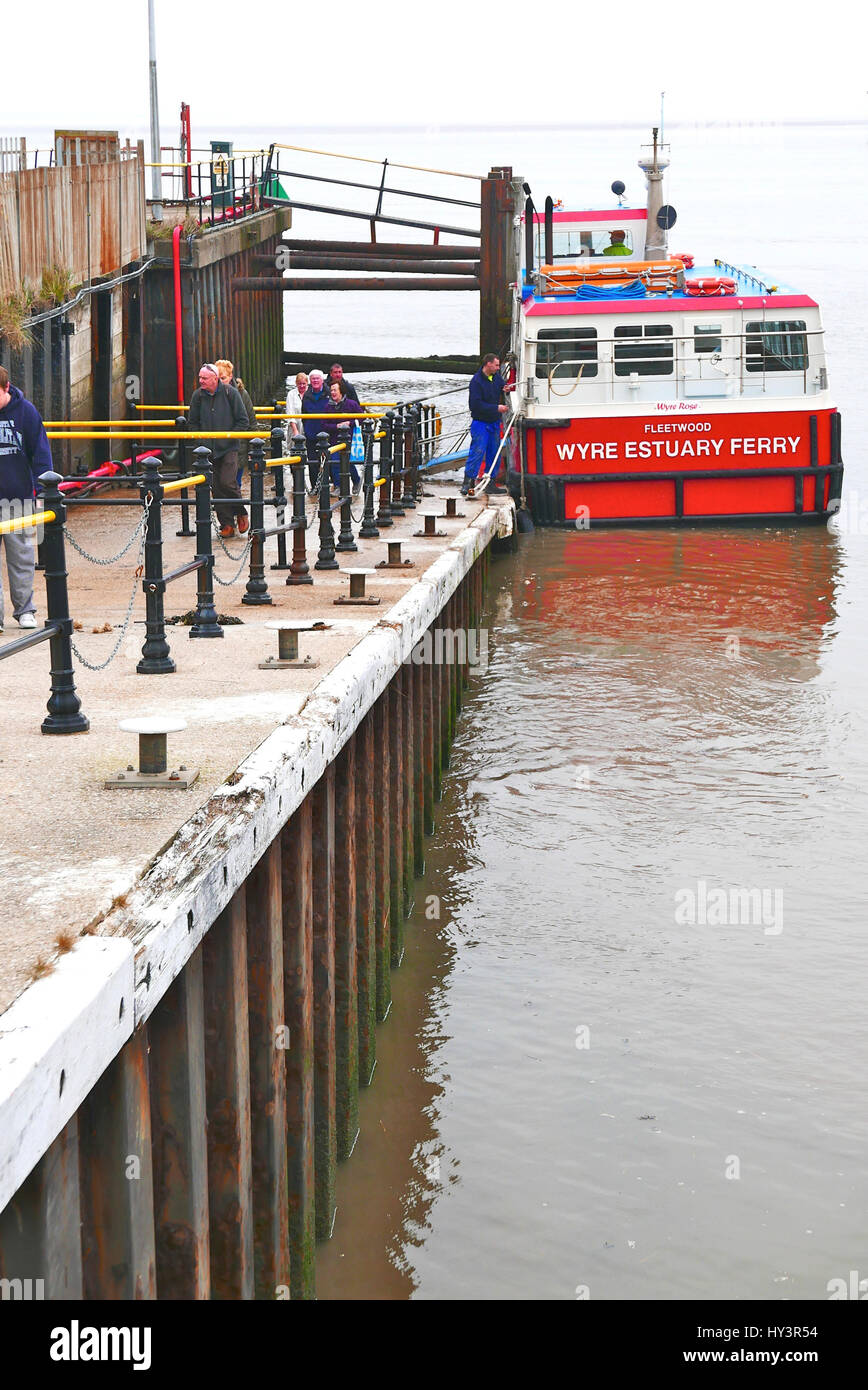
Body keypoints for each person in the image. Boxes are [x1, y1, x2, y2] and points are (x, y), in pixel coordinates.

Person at [0, 366, 50, 633]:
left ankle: (24, 610)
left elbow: (40, 452)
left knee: (21, 557)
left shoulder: (26, 412)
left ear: (6, 388)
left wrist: (44, 492)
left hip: (17, 498)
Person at [187, 363, 249, 537]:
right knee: (216, 486)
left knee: (227, 482)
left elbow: (243, 420)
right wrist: (200, 440)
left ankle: (241, 512)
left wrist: (230, 437)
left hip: (228, 447)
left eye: (204, 378)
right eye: (200, 378)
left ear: (215, 378)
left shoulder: (231, 393)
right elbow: (193, 423)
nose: (201, 381)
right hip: (207, 449)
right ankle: (226, 524)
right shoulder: (198, 396)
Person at [462, 353, 513, 497]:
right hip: (481, 422)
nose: (498, 368)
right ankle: (467, 482)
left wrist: (505, 388)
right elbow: (475, 405)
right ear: (488, 364)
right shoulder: (476, 381)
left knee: (494, 453)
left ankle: (490, 482)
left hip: (494, 422)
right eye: (496, 365)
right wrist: (496, 408)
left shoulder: (495, 377)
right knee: (477, 451)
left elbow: (501, 384)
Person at [215, 359, 256, 485]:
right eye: (218, 379)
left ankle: (234, 505)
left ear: (230, 376)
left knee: (234, 483)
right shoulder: (211, 394)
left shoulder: (242, 394)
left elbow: (251, 422)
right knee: (218, 483)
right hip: (217, 446)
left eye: (223, 378)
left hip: (238, 446)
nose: (220, 382)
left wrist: (253, 450)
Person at [325, 381, 361, 492]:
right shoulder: (328, 407)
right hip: (334, 440)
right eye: (331, 390)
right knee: (335, 462)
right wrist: (336, 426)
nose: (333, 392)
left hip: (350, 439)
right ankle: (338, 486)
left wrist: (350, 423)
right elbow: (324, 424)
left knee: (349, 462)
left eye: (335, 390)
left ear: (341, 391)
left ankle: (356, 481)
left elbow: (362, 417)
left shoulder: (351, 404)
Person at [301, 369, 330, 486]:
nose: (315, 381)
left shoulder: (328, 394)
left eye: (317, 378)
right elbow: (304, 415)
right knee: (312, 461)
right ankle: (315, 486)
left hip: (327, 433)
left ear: (322, 380)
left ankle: (326, 485)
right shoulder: (307, 396)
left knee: (327, 460)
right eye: (313, 379)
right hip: (311, 433)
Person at [284, 371, 309, 448]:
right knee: (294, 450)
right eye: (299, 384)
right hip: (295, 425)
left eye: (304, 383)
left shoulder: (310, 393)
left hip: (308, 426)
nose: (301, 386)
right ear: (296, 383)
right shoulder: (291, 394)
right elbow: (290, 413)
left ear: (307, 383)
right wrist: (295, 431)